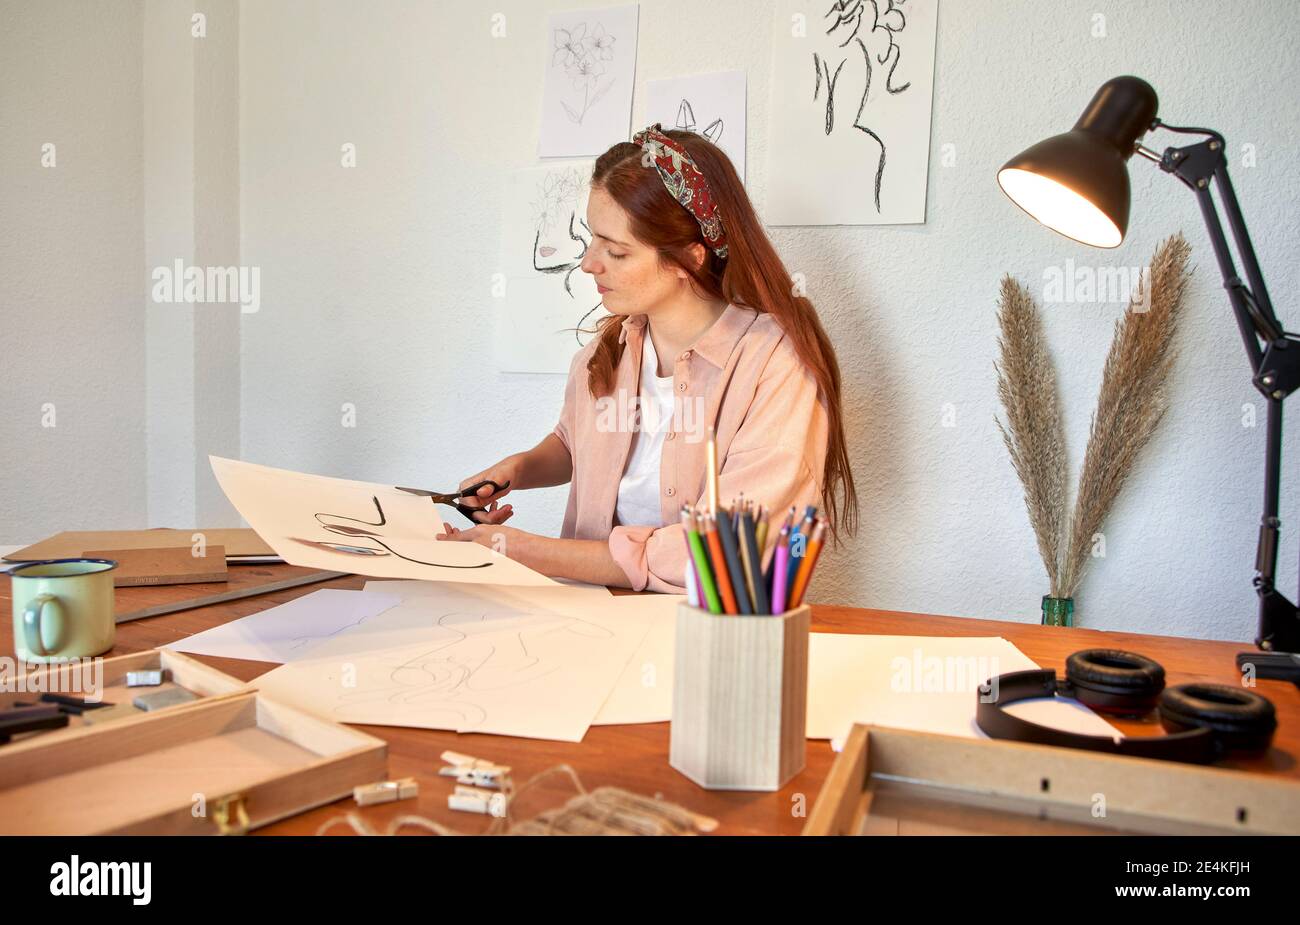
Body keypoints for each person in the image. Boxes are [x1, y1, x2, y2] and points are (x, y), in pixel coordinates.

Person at [438, 123, 857, 592]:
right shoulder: (609, 348)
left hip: (701, 631)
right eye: (592, 239)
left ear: (689, 259)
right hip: (586, 618)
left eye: (616, 252)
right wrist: (520, 469)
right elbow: (576, 443)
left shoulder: (774, 365)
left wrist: (526, 550)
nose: (588, 263)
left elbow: (731, 550)